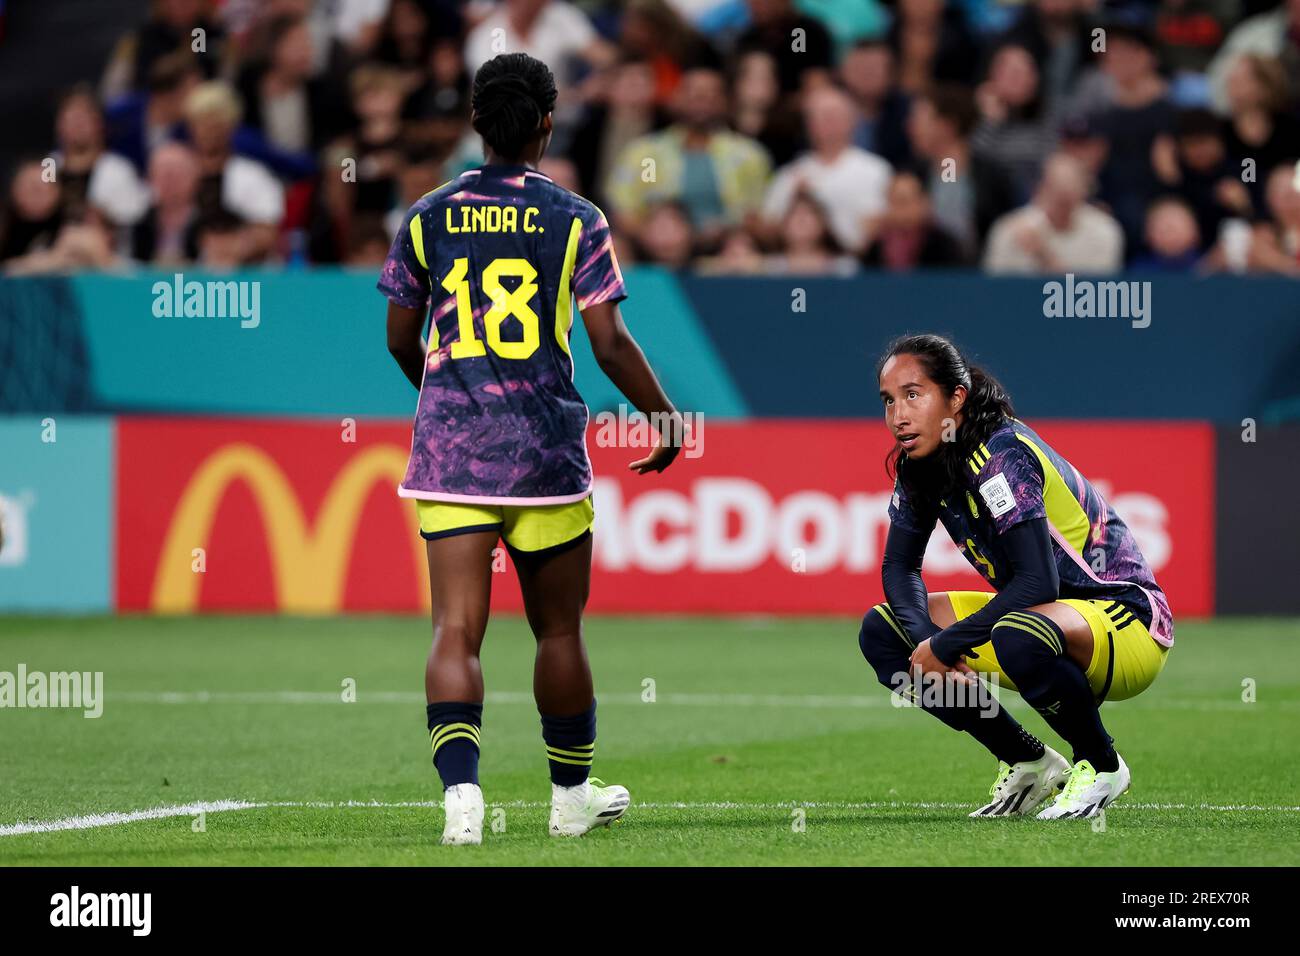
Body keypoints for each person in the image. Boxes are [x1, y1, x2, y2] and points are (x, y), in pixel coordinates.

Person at [378, 52, 684, 845]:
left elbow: (401, 336)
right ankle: (569, 800)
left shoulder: (427, 215)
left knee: (454, 629)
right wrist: (666, 419)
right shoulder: (577, 218)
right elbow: (610, 343)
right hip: (545, 453)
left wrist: (445, 399)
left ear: (476, 122)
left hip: (452, 455)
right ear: (548, 122)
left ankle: (462, 803)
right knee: (558, 633)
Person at [859, 334, 1174, 818]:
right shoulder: (919, 466)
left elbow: (1037, 584)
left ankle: (1102, 764)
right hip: (1037, 623)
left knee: (1016, 630)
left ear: (955, 397)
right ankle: (1028, 760)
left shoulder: (1001, 452)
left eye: (913, 394)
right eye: (888, 400)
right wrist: (927, 645)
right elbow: (899, 566)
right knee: (885, 632)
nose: (898, 414)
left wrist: (944, 647)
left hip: (1127, 622)